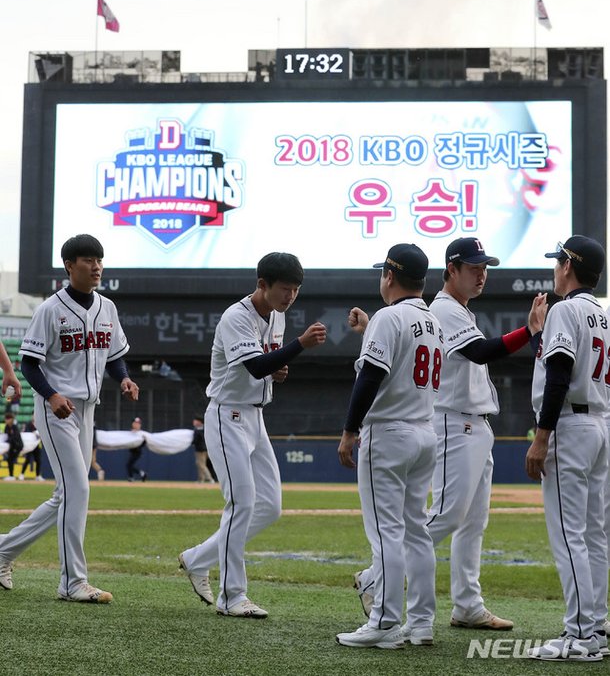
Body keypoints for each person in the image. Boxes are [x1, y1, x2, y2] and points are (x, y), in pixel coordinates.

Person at [351, 237, 547, 630]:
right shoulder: (442, 308)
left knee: (473, 522)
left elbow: (406, 345)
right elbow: (480, 352)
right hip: (451, 422)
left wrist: (370, 327)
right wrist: (527, 331)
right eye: (473, 268)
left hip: (474, 424)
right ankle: (375, 577)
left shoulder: (455, 311)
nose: (482, 275)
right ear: (450, 271)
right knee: (444, 515)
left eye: (485, 268)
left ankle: (467, 604)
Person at [179, 252, 327, 618]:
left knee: (270, 506)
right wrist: (297, 347)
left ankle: (198, 559)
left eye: (296, 289)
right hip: (227, 415)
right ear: (262, 284)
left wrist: (278, 368)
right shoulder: (236, 316)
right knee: (242, 504)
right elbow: (256, 364)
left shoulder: (277, 315)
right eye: (284, 288)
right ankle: (232, 596)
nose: (290, 296)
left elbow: (265, 365)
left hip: (255, 417)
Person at [0, 234, 139, 600]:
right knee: (78, 489)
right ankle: (72, 582)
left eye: (99, 260)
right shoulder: (50, 309)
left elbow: (114, 356)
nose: (96, 267)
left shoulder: (106, 307)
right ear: (69, 266)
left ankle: (2, 553)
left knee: (66, 495)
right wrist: (52, 395)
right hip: (55, 408)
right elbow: (29, 364)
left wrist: (123, 377)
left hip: (87, 408)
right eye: (87, 260)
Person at [335, 244, 442, 650]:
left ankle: (383, 622)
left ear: (390, 277)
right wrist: (371, 330)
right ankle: (422, 624)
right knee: (416, 532)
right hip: (424, 432)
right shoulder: (433, 321)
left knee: (385, 534)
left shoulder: (387, 317)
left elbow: (372, 376)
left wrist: (349, 429)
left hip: (389, 433)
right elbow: (400, 359)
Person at [526, 236, 609, 662]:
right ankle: (596, 625)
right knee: (594, 533)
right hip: (599, 423)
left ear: (568, 266)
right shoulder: (602, 314)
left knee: (569, 534)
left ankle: (580, 635)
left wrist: (542, 436)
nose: (555, 268)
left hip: (571, 427)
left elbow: (558, 374)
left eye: (559, 261)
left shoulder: (566, 309)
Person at [18, 415, 43, 481]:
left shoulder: (40, 424)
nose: (34, 416)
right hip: (29, 445)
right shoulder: (28, 424)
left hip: (37, 445)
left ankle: (37, 476)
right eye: (33, 415)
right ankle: (22, 474)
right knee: (27, 460)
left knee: (38, 460)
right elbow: (25, 433)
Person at [192, 416, 213, 483]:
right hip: (203, 449)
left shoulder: (201, 429)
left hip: (201, 450)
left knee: (201, 465)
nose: (194, 422)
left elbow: (197, 439)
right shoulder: (199, 429)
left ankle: (210, 479)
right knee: (199, 464)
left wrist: (192, 442)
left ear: (199, 422)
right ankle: (201, 479)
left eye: (195, 421)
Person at [3, 413, 23, 481]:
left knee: (10, 459)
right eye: (6, 419)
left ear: (11, 419)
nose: (6, 420)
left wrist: (10, 440)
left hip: (17, 446)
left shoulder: (14, 427)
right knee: (9, 459)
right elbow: (6, 436)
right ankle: (11, 475)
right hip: (11, 446)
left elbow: (16, 437)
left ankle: (12, 476)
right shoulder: (6, 427)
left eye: (8, 419)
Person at [126, 417, 147, 482]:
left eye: (138, 423)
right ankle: (141, 474)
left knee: (129, 464)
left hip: (137, 451)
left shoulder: (141, 433)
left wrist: (138, 446)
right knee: (129, 465)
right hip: (132, 451)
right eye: (135, 423)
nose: (136, 424)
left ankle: (132, 477)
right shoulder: (131, 432)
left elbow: (144, 442)